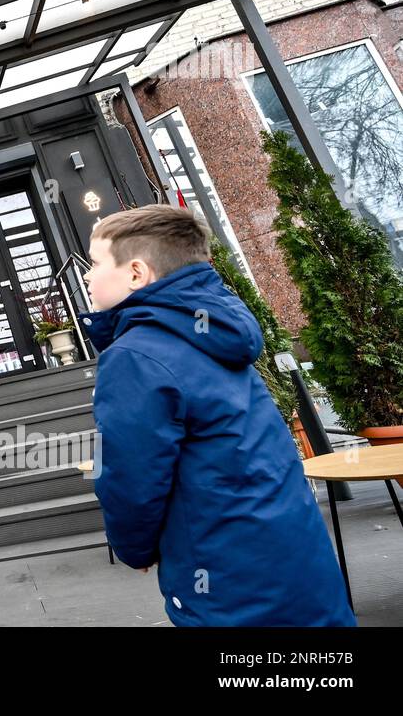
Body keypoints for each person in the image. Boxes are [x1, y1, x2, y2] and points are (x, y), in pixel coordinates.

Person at [79, 205, 354, 627]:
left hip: (223, 570)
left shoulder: (135, 356)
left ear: (136, 273)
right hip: (294, 548)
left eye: (96, 263)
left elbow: (132, 476)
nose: (86, 275)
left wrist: (134, 548)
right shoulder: (212, 329)